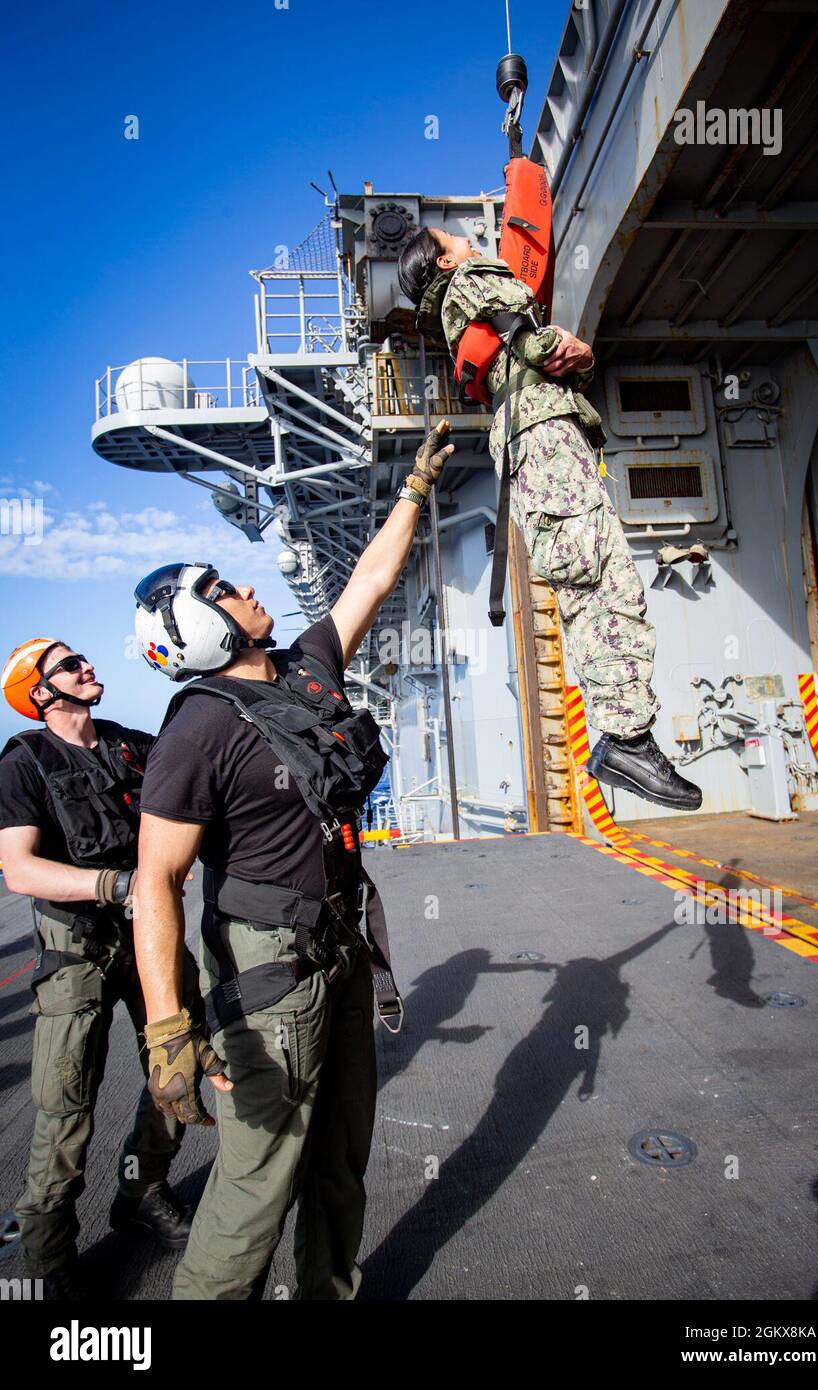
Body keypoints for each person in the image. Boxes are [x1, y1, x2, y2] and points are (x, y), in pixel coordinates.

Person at [132, 422, 453, 1300]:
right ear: (203, 625)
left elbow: (372, 579)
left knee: (342, 1164)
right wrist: (170, 1031)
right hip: (269, 978)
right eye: (225, 590)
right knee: (253, 1192)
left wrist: (415, 488)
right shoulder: (196, 731)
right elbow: (155, 881)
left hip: (341, 954)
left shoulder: (305, 672)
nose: (247, 588)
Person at [398, 227, 702, 812]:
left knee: (595, 588)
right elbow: (538, 346)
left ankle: (625, 735)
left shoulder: (454, 305)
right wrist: (579, 353)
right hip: (545, 436)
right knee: (608, 586)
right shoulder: (474, 275)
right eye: (453, 237)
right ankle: (626, 737)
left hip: (529, 441)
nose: (466, 238)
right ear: (443, 259)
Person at [0, 638, 197, 1299]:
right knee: (65, 1110)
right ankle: (46, 1263)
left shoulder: (130, 745)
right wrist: (119, 887)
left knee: (177, 1068)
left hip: (149, 936)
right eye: (68, 666)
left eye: (82, 658)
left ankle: (143, 1190)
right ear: (42, 695)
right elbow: (19, 867)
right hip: (78, 949)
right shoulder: (23, 763)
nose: (87, 666)